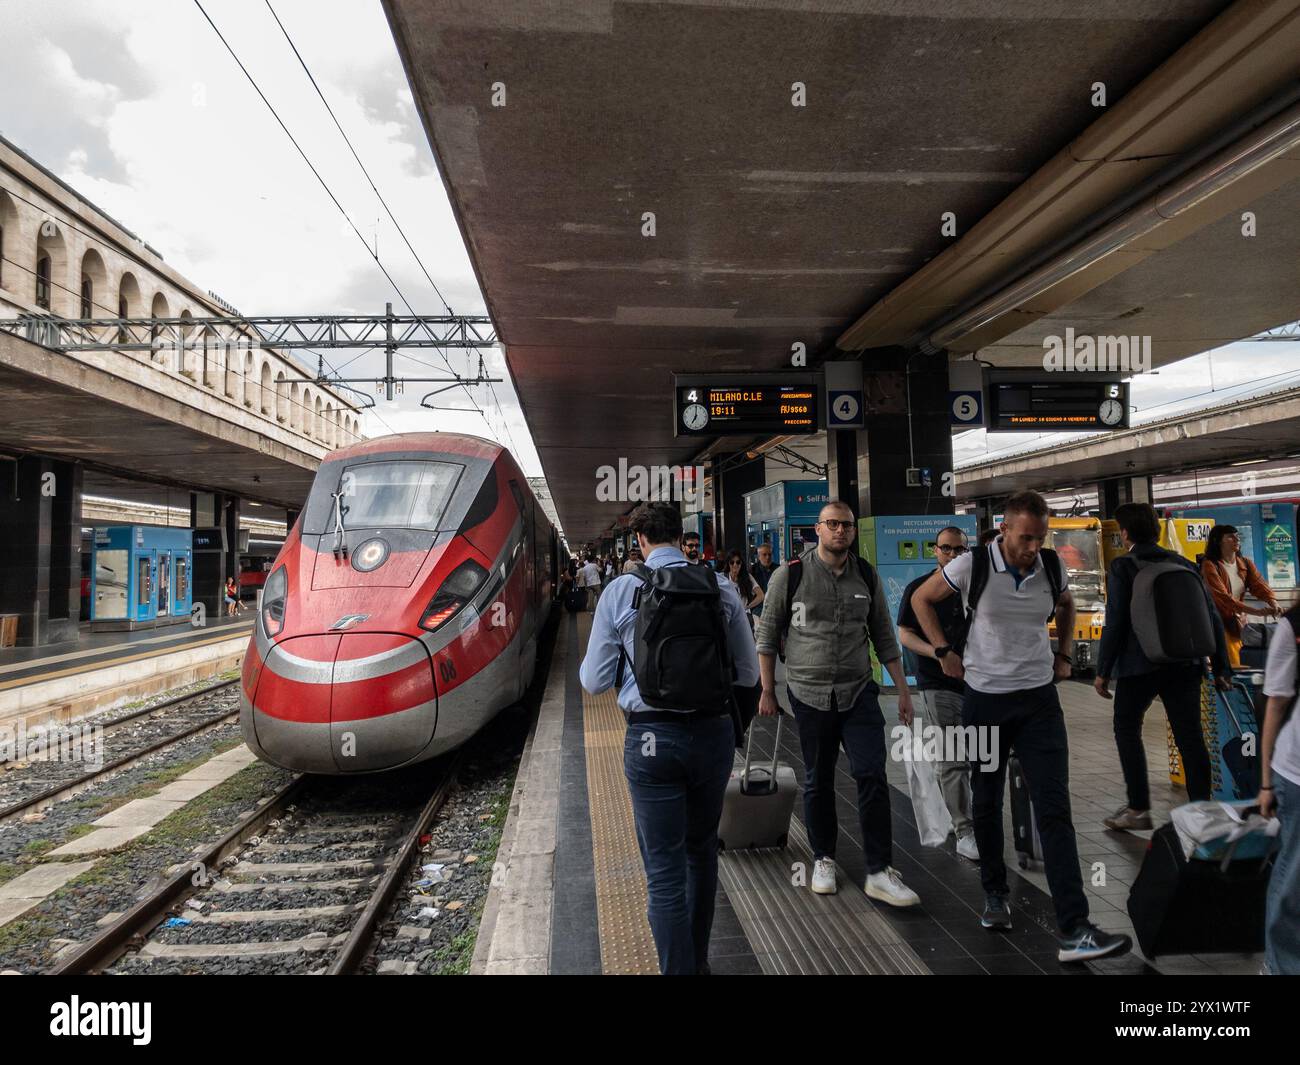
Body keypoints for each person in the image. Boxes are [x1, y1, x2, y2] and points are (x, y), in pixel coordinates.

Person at [910, 490, 1131, 962]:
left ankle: (1075, 927)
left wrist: (1065, 655)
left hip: (1038, 703)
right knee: (986, 802)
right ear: (1005, 528)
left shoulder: (1051, 566)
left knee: (1054, 807)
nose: (1032, 546)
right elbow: (921, 600)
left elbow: (1068, 606)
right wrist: (944, 652)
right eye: (1025, 537)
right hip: (985, 702)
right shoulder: (973, 565)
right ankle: (995, 896)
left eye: (1039, 537)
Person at [579, 501, 759, 975]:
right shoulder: (719, 586)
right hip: (713, 735)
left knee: (663, 872)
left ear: (639, 541)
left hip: (651, 741)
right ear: (682, 536)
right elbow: (746, 671)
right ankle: (698, 964)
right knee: (701, 855)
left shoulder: (621, 590)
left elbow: (593, 681)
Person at [754, 500, 921, 907]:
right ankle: (823, 858)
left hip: (859, 690)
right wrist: (767, 690)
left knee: (871, 775)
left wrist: (901, 690)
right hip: (809, 694)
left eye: (845, 525)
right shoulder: (789, 576)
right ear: (817, 529)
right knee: (818, 778)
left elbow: (883, 635)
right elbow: (767, 634)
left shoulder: (866, 574)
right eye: (832, 524)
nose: (840, 531)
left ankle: (880, 869)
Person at [1094, 503, 1231, 831]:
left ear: (1125, 533)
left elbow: (1115, 623)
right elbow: (1211, 616)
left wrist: (1103, 671)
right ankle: (1201, 811)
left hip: (1139, 664)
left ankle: (1138, 808)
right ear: (1155, 530)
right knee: (1191, 736)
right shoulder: (1182, 563)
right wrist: (1221, 666)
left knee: (1127, 727)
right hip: (1185, 663)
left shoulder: (1124, 567)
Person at [896, 525, 979, 860]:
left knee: (980, 755)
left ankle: (971, 815)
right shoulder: (919, 589)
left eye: (960, 550)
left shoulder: (977, 588)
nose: (954, 555)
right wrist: (938, 654)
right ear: (935, 550)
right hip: (937, 682)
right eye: (947, 549)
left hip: (977, 684)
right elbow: (904, 634)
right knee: (952, 757)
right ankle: (964, 830)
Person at [1259, 603, 1300, 974]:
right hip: (1296, 772)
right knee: (1293, 879)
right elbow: (1275, 704)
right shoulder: (1293, 626)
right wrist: (1266, 783)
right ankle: (1278, 966)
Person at [1200, 525, 1281, 667]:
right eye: (1230, 536)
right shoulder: (1210, 565)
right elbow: (1223, 598)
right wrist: (1255, 611)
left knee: (1241, 661)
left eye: (1237, 535)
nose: (1237, 539)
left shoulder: (1245, 564)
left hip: (1237, 622)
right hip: (1218, 622)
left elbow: (1259, 585)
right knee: (1233, 663)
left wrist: (1273, 601)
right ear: (1218, 541)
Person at [724, 549, 764, 627]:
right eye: (732, 562)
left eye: (738, 562)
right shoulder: (723, 578)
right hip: (728, 616)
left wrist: (747, 607)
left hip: (744, 617)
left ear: (741, 563)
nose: (735, 565)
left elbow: (761, 595)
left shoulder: (747, 577)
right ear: (728, 564)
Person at [750, 542, 778, 617]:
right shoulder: (752, 571)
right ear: (758, 556)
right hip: (758, 608)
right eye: (764, 555)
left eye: (769, 554)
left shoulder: (778, 570)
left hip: (775, 607)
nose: (767, 557)